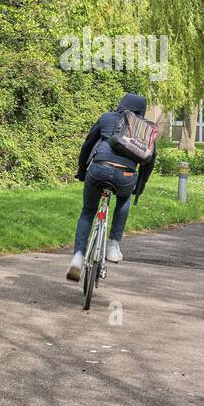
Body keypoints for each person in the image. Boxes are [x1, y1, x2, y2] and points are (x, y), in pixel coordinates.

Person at [67, 93, 157, 281]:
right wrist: (138, 188)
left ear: (121, 104)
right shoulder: (147, 128)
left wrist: (82, 171)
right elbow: (149, 163)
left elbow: (87, 145)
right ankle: (114, 245)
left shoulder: (107, 118)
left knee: (88, 211)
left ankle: (77, 257)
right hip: (126, 176)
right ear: (142, 110)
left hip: (99, 169)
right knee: (124, 198)